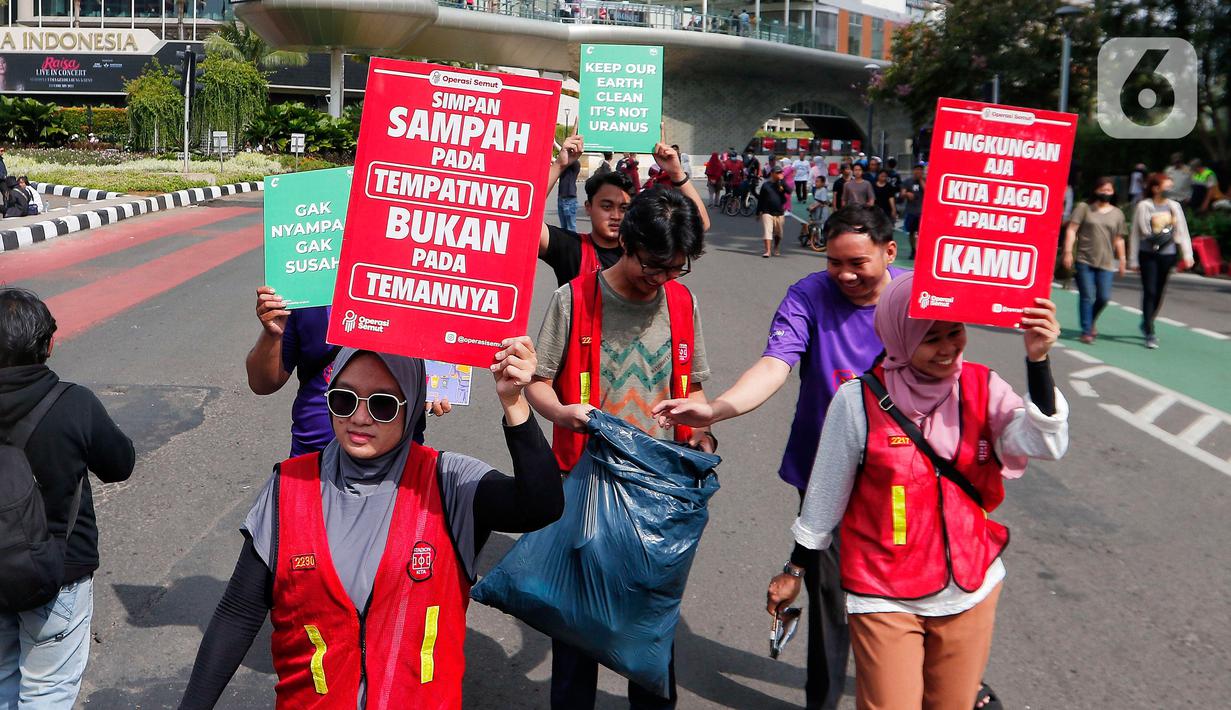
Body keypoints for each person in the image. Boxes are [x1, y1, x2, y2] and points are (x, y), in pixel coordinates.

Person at [180, 340, 561, 708]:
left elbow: (541, 505)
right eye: (343, 399)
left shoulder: (449, 482)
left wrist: (514, 403)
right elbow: (238, 613)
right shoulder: (288, 487)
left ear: (412, 406)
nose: (359, 418)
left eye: (382, 405)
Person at [767, 271, 1068, 710]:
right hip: (882, 591)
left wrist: (1038, 361)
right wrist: (795, 572)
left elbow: (1045, 442)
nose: (948, 348)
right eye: (932, 338)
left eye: (955, 332)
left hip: (969, 588)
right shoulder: (857, 401)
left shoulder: (983, 388)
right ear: (900, 336)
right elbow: (823, 501)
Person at [652, 204, 906, 710]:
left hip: (904, 477)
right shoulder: (809, 296)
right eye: (835, 262)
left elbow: (951, 369)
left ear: (890, 253)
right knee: (831, 601)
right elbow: (775, 364)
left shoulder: (916, 298)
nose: (846, 275)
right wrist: (716, 410)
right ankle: (824, 700)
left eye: (859, 262)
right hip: (826, 473)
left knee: (899, 599)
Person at [526, 187, 714, 710]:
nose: (662, 279)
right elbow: (538, 381)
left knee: (652, 637)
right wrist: (561, 412)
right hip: (585, 489)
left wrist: (701, 429)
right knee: (577, 635)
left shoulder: (681, 301)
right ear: (627, 243)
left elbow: (694, 385)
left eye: (676, 268)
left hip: (660, 497)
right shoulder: (573, 298)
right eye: (654, 266)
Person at [0, 287, 136, 707]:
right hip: (58, 573)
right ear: (49, 344)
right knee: (47, 690)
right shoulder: (73, 403)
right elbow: (119, 464)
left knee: (3, 678)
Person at [541, 136, 709, 287]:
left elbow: (699, 224)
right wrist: (559, 165)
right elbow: (524, 221)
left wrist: (676, 173)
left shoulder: (644, 247)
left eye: (624, 208)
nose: (615, 216)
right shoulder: (571, 248)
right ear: (588, 207)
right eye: (606, 207)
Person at [1130, 173, 1194, 349]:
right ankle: (1150, 331)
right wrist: (1133, 260)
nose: (1170, 190)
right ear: (1155, 188)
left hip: (1168, 254)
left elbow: (1182, 231)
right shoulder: (1144, 206)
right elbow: (1135, 234)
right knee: (1149, 290)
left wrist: (1188, 255)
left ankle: (1147, 319)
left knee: (1159, 291)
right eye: (1167, 186)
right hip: (1147, 254)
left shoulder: (1174, 207)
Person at [1062, 178, 1127, 344]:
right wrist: (1068, 252)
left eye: (1109, 190)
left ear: (1113, 193)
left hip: (1106, 262)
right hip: (1084, 259)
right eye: (1102, 189)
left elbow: (1119, 239)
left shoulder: (1117, 214)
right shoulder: (1084, 208)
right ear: (1096, 190)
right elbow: (1072, 229)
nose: (1105, 193)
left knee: (1104, 297)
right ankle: (1086, 331)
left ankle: (1091, 321)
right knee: (1087, 296)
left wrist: (1122, 259)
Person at [757, 165, 788, 258]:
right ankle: (768, 251)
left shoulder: (782, 184)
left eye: (780, 172)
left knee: (778, 233)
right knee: (768, 231)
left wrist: (782, 182)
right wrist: (758, 212)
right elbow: (761, 199)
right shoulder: (765, 185)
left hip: (779, 212)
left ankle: (776, 247)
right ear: (772, 174)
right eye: (777, 173)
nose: (779, 174)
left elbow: (789, 191)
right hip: (767, 212)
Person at [900, 163, 926, 259]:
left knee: (921, 233)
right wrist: (907, 194)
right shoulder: (908, 182)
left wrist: (921, 180)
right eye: (916, 170)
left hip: (922, 212)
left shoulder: (925, 181)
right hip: (911, 211)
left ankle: (921, 251)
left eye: (920, 170)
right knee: (911, 232)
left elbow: (928, 191)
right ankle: (913, 250)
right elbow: (902, 193)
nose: (918, 172)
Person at [557, 152, 582, 232]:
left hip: (569, 199)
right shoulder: (563, 166)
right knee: (563, 228)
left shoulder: (575, 164)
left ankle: (572, 243)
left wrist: (554, 144)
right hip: (561, 198)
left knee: (571, 227)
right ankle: (564, 244)